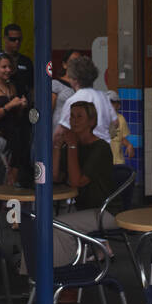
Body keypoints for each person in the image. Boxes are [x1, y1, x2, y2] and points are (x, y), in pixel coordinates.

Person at [52, 102, 117, 265]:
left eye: (79, 117)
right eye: (72, 116)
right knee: (43, 222)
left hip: (104, 211)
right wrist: (58, 148)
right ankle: (37, 274)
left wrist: (72, 145)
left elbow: (76, 181)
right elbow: (55, 177)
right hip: (83, 209)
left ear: (92, 121)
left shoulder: (100, 148)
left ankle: (68, 274)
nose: (74, 121)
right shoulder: (73, 147)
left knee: (59, 225)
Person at [51, 56, 116, 159]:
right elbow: (115, 123)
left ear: (75, 79)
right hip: (106, 150)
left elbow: (60, 133)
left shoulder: (73, 100)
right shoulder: (103, 96)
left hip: (85, 152)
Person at [0, 53, 30, 185]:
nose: (8, 70)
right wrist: (8, 106)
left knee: (11, 175)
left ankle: (6, 201)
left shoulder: (11, 87)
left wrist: (21, 106)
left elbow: (16, 115)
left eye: (10, 67)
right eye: (4, 67)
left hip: (12, 136)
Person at [106, 90, 135, 164]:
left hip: (118, 161)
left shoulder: (121, 119)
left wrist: (129, 145)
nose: (109, 105)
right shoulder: (99, 118)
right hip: (103, 161)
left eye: (112, 102)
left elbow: (121, 138)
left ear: (118, 105)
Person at [51, 50, 83, 115]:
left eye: (79, 61)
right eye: (73, 61)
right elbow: (49, 111)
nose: (76, 64)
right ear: (64, 65)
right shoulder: (55, 84)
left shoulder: (83, 87)